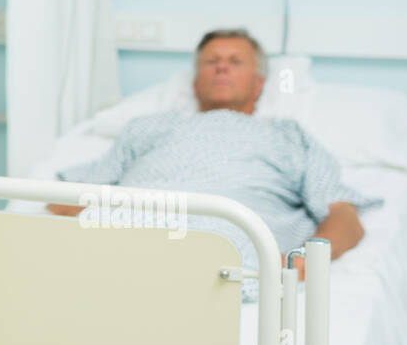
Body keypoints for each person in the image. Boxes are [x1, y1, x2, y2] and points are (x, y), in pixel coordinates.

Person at [46, 29, 379, 284]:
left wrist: (305, 260)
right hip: (127, 247)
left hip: (231, 258)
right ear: (194, 84)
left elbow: (343, 217)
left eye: (235, 61)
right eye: (211, 61)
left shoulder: (289, 136)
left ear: (259, 84)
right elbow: (66, 199)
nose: (221, 67)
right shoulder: (148, 127)